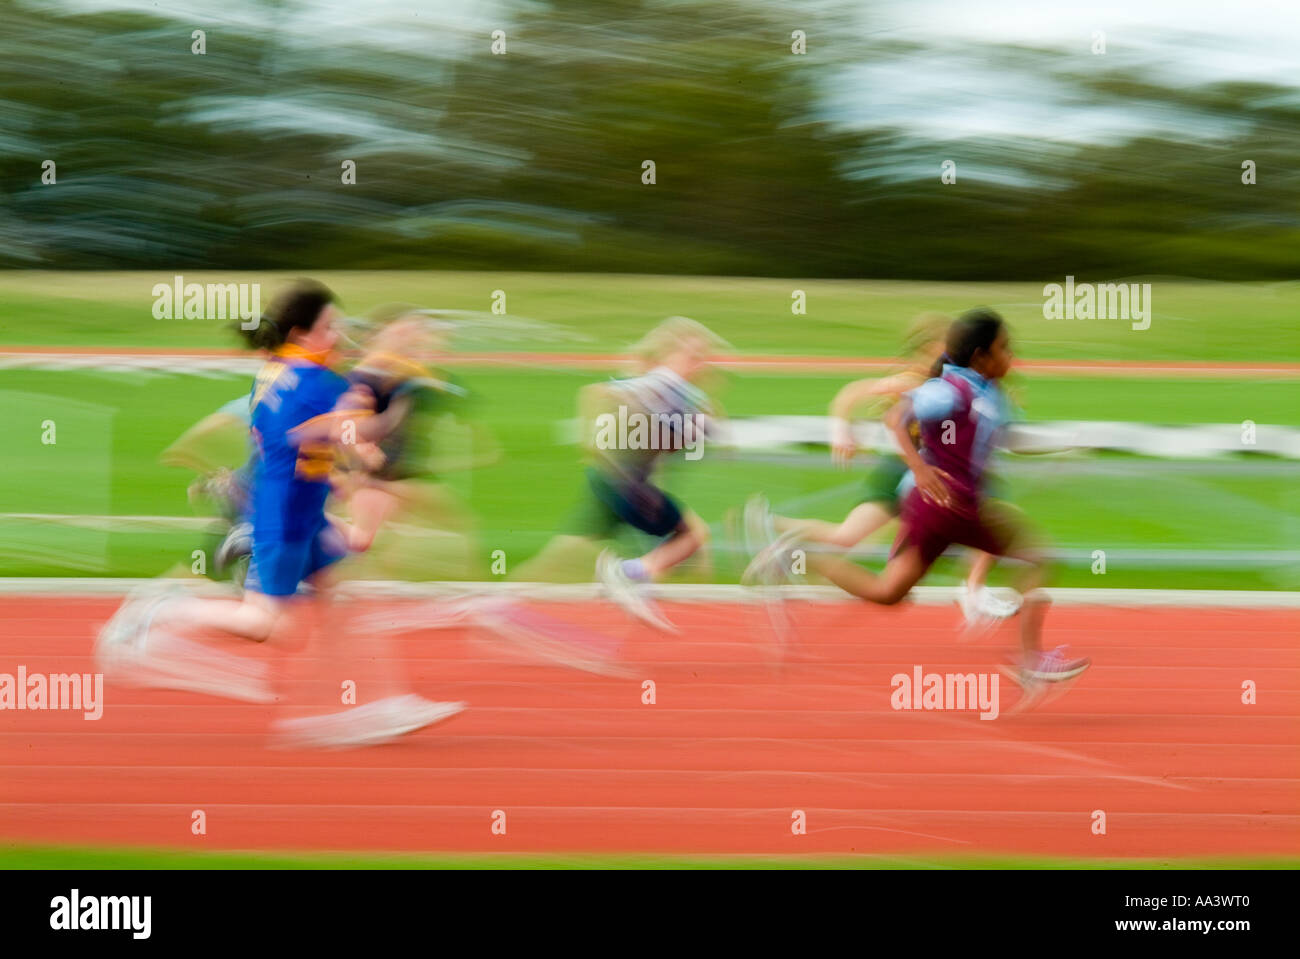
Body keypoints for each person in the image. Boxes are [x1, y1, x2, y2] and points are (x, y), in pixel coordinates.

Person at [96, 280, 466, 746]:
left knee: (343, 597)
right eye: (330, 327)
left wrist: (345, 451)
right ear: (302, 332)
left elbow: (314, 432)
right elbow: (335, 425)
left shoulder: (277, 369)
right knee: (267, 625)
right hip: (285, 518)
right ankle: (159, 612)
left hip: (301, 511)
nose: (338, 336)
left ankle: (369, 706)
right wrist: (389, 419)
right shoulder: (314, 382)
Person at [747, 308, 1090, 697]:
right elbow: (896, 418)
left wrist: (1066, 442)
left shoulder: (992, 395)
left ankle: (795, 558)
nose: (1012, 357)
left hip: (935, 510)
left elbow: (1011, 441)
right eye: (1004, 348)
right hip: (950, 504)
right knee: (1038, 557)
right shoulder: (951, 388)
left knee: (889, 592)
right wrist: (920, 468)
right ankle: (1031, 663)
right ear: (980, 355)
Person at [743, 313, 1020, 630]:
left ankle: (777, 533)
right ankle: (973, 592)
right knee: (857, 543)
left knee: (856, 545)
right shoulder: (918, 382)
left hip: (928, 476)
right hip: (909, 475)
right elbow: (852, 394)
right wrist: (841, 429)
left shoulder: (961, 384)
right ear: (932, 346)